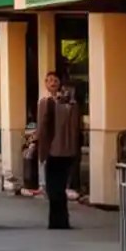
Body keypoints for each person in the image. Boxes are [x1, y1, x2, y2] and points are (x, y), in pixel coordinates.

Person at [36, 71, 81, 230]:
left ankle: (58, 221)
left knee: (55, 188)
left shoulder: (53, 103)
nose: (53, 83)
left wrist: (41, 150)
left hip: (56, 151)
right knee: (58, 188)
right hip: (62, 151)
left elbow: (43, 129)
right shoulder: (67, 103)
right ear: (46, 84)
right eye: (50, 80)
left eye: (55, 80)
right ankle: (60, 220)